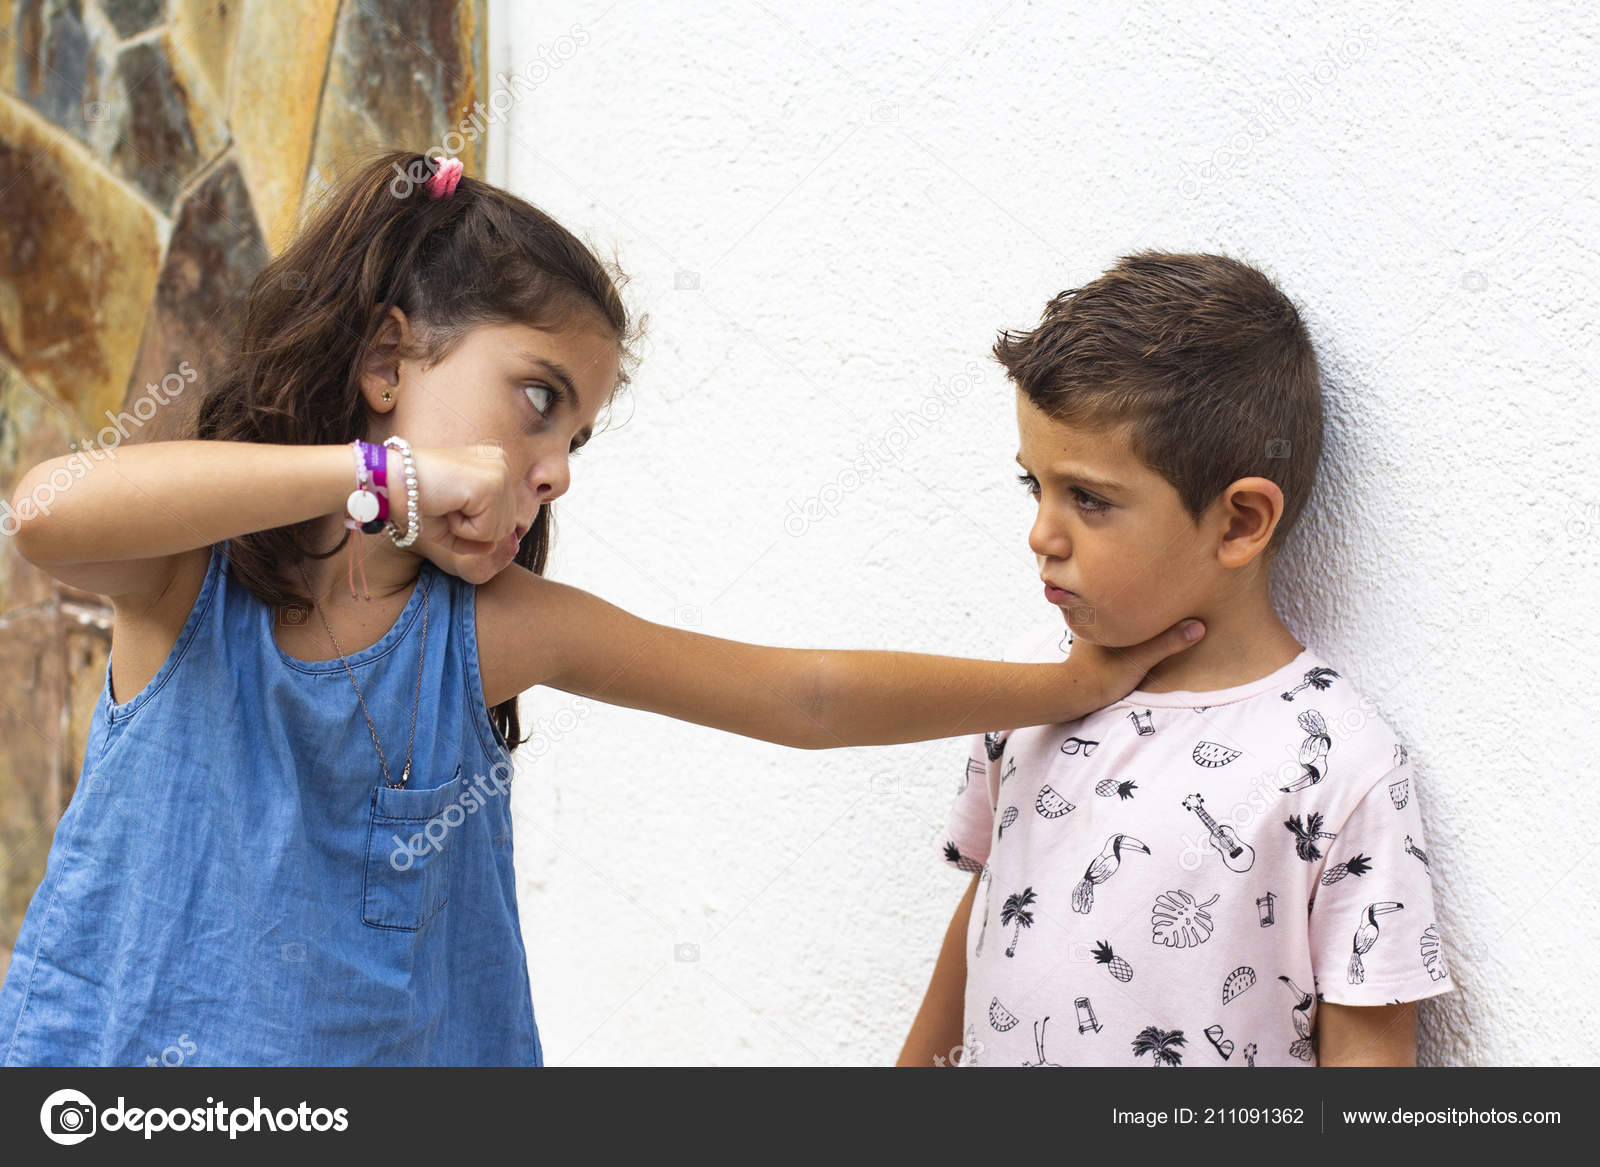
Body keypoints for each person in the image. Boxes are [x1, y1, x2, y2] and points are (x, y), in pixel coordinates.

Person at [0, 154, 1205, 1066]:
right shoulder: (186, 582)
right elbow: (48, 512)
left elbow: (802, 697)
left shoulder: (489, 634)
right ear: (385, 363)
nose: (557, 465)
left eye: (574, 434)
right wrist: (373, 478)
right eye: (535, 400)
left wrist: (1067, 688)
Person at [899, 252, 1455, 1068]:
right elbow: (991, 906)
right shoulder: (1030, 686)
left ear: (1238, 523)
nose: (1042, 536)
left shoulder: (1338, 766)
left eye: (1087, 498)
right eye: (1035, 488)